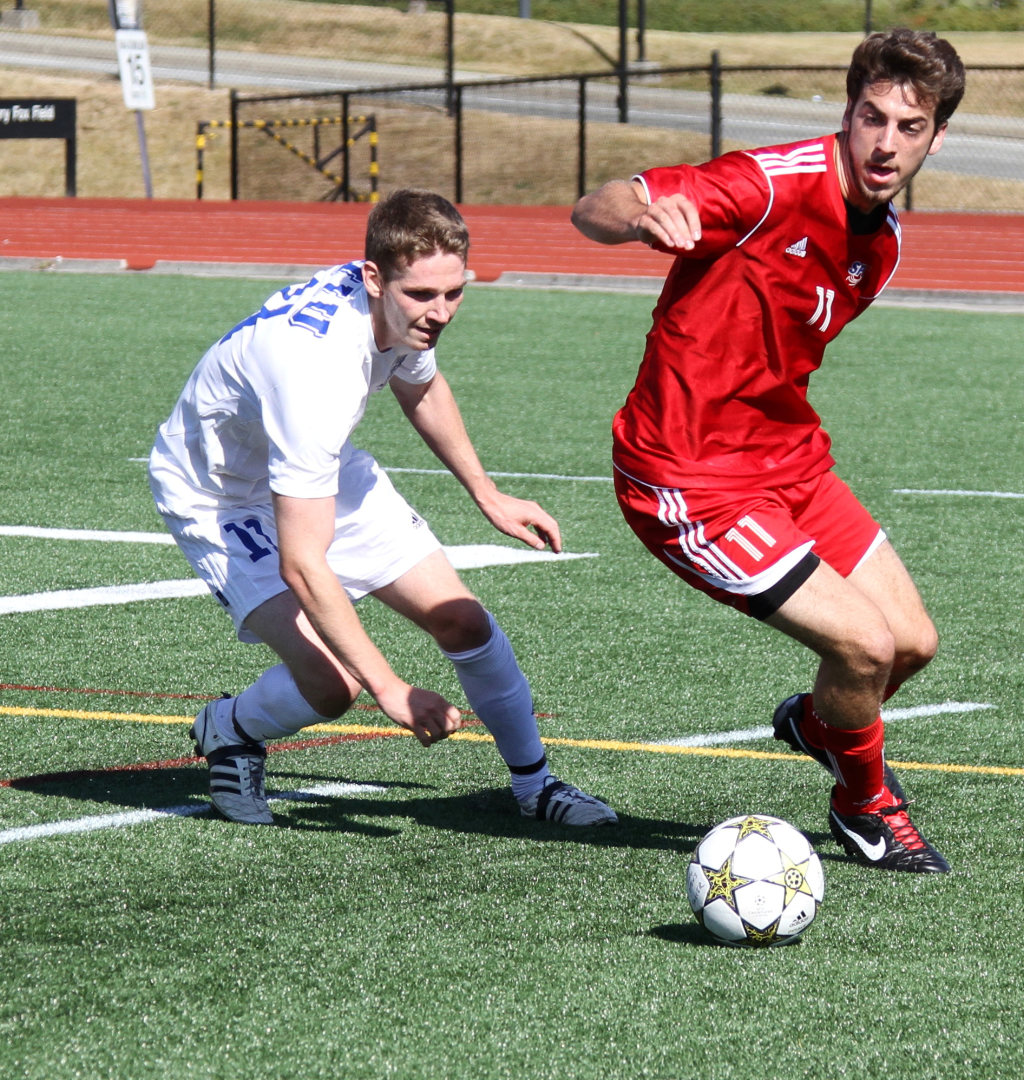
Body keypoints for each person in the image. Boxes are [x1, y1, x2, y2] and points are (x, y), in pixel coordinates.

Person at [571, 29, 965, 871]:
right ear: (848, 112)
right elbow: (594, 204)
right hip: (686, 476)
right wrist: (641, 216)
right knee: (862, 646)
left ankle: (817, 726)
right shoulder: (764, 185)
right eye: (872, 117)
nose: (885, 142)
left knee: (912, 643)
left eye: (909, 126)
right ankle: (863, 806)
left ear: (936, 138)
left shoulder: (883, 246)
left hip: (789, 463)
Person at [149, 188, 616, 828]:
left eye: (454, 292)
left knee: (464, 623)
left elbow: (418, 383)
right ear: (373, 277)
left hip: (315, 467)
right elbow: (305, 565)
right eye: (423, 296)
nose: (441, 312)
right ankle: (230, 727)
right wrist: (390, 690)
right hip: (219, 495)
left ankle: (536, 785)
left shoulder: (392, 307)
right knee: (333, 685)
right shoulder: (316, 374)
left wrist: (487, 492)